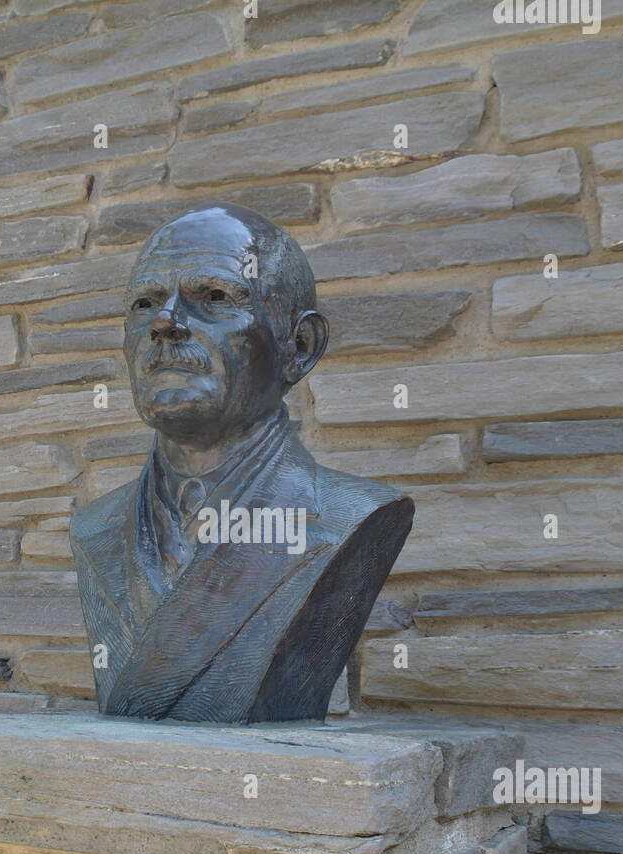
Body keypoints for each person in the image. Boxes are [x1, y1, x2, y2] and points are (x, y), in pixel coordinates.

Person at [69, 204, 413, 723]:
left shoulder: (352, 518)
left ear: (299, 347)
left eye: (213, 298)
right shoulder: (96, 529)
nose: (165, 323)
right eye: (145, 303)